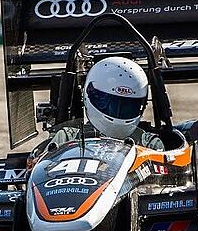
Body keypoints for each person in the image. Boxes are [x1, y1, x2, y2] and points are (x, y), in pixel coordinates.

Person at [31, 57, 165, 161]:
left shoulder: (149, 144)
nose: (117, 110)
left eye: (128, 105)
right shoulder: (65, 138)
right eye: (109, 102)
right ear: (90, 96)